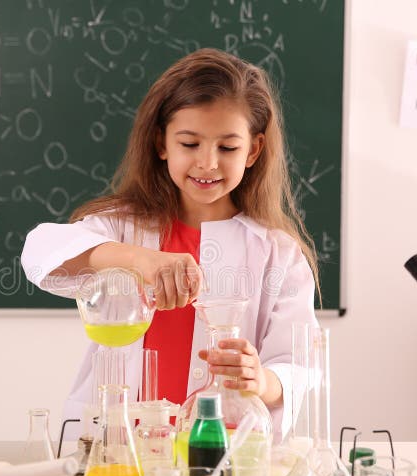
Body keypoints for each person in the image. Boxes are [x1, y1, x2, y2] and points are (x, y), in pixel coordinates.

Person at [22, 48, 319, 441]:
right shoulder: (124, 227)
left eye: (228, 147)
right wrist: (139, 261)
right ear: (161, 142)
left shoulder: (277, 253)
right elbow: (40, 252)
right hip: (120, 446)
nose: (208, 163)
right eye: (190, 144)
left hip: (219, 448)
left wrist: (260, 379)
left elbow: (299, 366)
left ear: (253, 150)